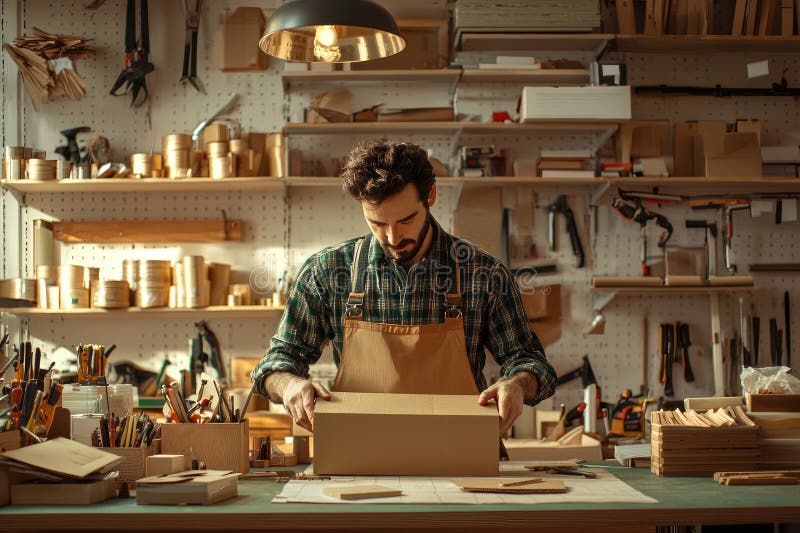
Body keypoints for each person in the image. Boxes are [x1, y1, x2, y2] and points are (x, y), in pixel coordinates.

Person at [252, 140, 556, 434]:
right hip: (356, 458)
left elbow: (531, 361)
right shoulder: (327, 271)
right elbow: (274, 365)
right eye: (378, 224)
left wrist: (516, 384)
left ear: (431, 195)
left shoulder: (483, 274)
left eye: (406, 220)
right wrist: (289, 384)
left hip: (461, 456)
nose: (394, 238)